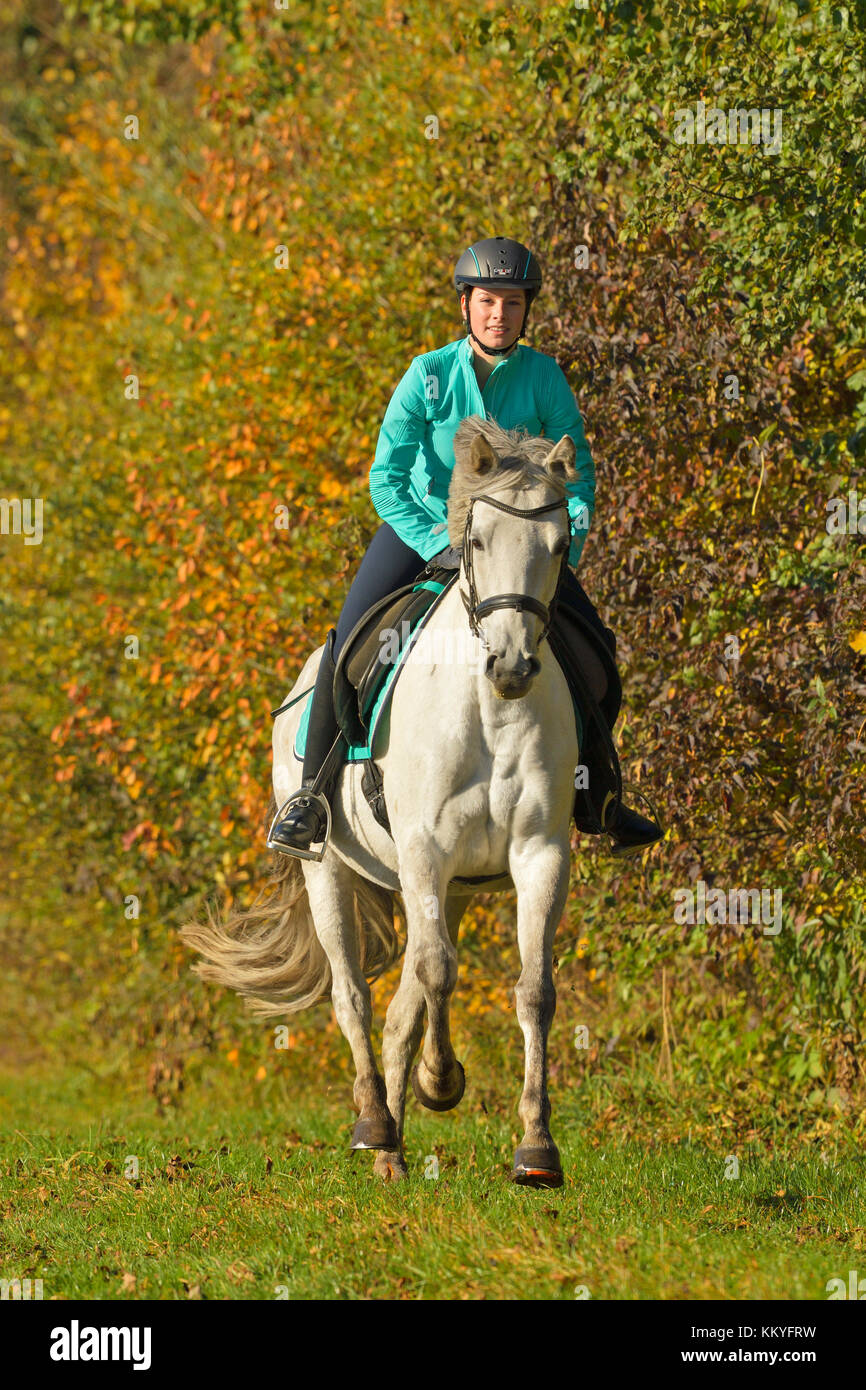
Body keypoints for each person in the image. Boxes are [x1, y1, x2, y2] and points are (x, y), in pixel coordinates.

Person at [269, 236, 662, 858]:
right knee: (345, 648)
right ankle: (311, 798)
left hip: (519, 545)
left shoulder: (544, 377)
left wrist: (562, 547)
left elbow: (576, 477)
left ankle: (598, 793)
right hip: (420, 531)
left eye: (511, 302)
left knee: (599, 652)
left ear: (526, 310)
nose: (497, 314)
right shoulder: (426, 376)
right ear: (465, 304)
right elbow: (385, 479)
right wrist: (441, 543)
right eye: (486, 301)